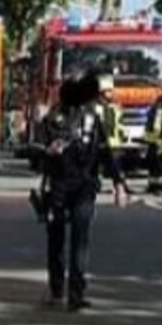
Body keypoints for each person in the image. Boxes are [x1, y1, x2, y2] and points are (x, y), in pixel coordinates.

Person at [35, 70, 126, 311]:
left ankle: (76, 293)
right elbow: (35, 150)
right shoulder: (52, 119)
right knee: (57, 241)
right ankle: (57, 289)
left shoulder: (91, 119)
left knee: (80, 240)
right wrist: (48, 151)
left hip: (83, 187)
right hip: (58, 187)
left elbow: (106, 151)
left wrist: (118, 183)